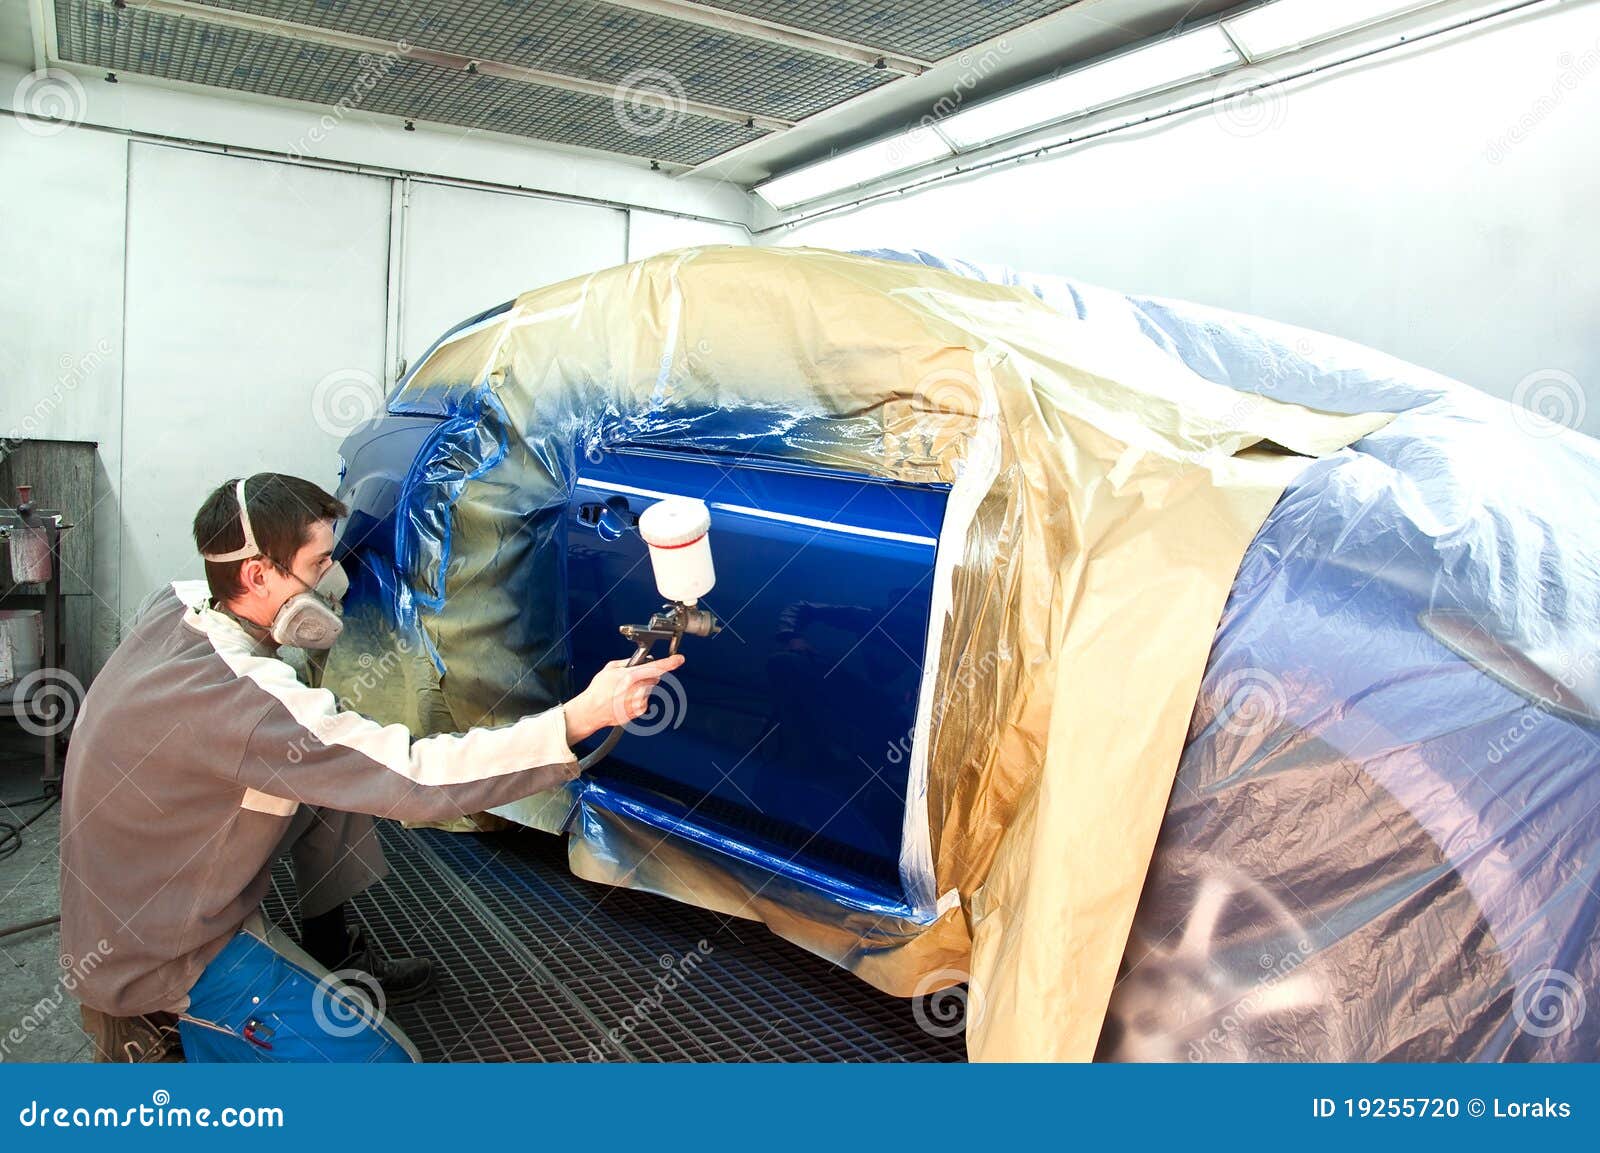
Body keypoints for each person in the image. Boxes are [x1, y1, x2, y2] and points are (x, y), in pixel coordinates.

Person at [59, 472, 681, 1062]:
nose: (334, 579)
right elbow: (415, 779)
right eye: (317, 565)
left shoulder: (175, 606)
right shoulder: (243, 701)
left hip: (135, 888)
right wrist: (576, 719)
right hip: (167, 952)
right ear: (256, 574)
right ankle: (168, 1029)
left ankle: (329, 947)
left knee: (333, 777)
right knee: (386, 1070)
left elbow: (323, 742)